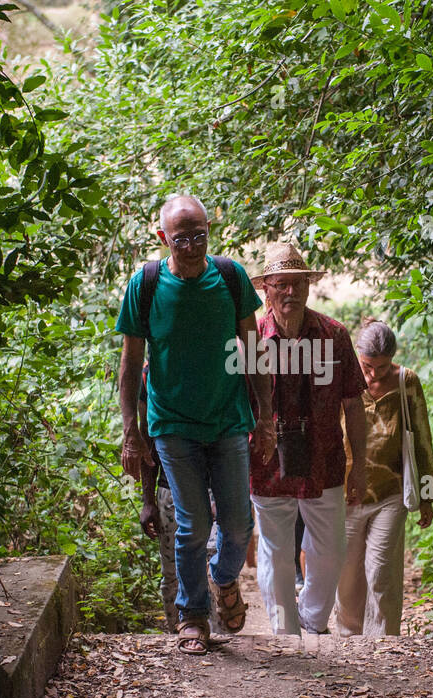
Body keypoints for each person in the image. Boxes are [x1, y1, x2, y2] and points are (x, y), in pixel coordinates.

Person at [117, 195, 275, 654]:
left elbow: (253, 350)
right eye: (181, 238)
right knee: (192, 524)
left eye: (199, 235)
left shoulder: (229, 277)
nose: (191, 246)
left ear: (210, 231)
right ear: (163, 237)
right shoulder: (145, 284)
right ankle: (193, 617)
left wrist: (265, 419)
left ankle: (224, 579)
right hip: (172, 424)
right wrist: (132, 430)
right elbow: (130, 364)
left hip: (228, 420)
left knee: (239, 523)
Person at [248, 242, 367, 635]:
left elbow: (353, 403)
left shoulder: (334, 335)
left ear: (309, 287)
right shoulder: (250, 340)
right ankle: (284, 631)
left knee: (331, 551)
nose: (291, 293)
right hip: (266, 461)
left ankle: (313, 621)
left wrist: (360, 466)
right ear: (267, 289)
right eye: (281, 285)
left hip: (325, 461)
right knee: (276, 551)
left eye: (298, 284)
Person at [334, 321, 433, 637]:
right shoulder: (341, 379)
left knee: (380, 571)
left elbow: (422, 440)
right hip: (347, 491)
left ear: (392, 359)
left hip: (391, 492)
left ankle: (384, 640)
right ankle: (350, 638)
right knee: (347, 574)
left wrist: (427, 496)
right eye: (367, 366)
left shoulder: (407, 382)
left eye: (381, 367)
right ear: (357, 357)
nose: (373, 375)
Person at [137, 363, 223, 635]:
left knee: (211, 568)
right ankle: (180, 634)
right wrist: (148, 500)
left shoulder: (218, 360)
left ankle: (216, 635)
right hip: (169, 490)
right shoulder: (151, 371)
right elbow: (147, 434)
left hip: (212, 486)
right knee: (173, 574)